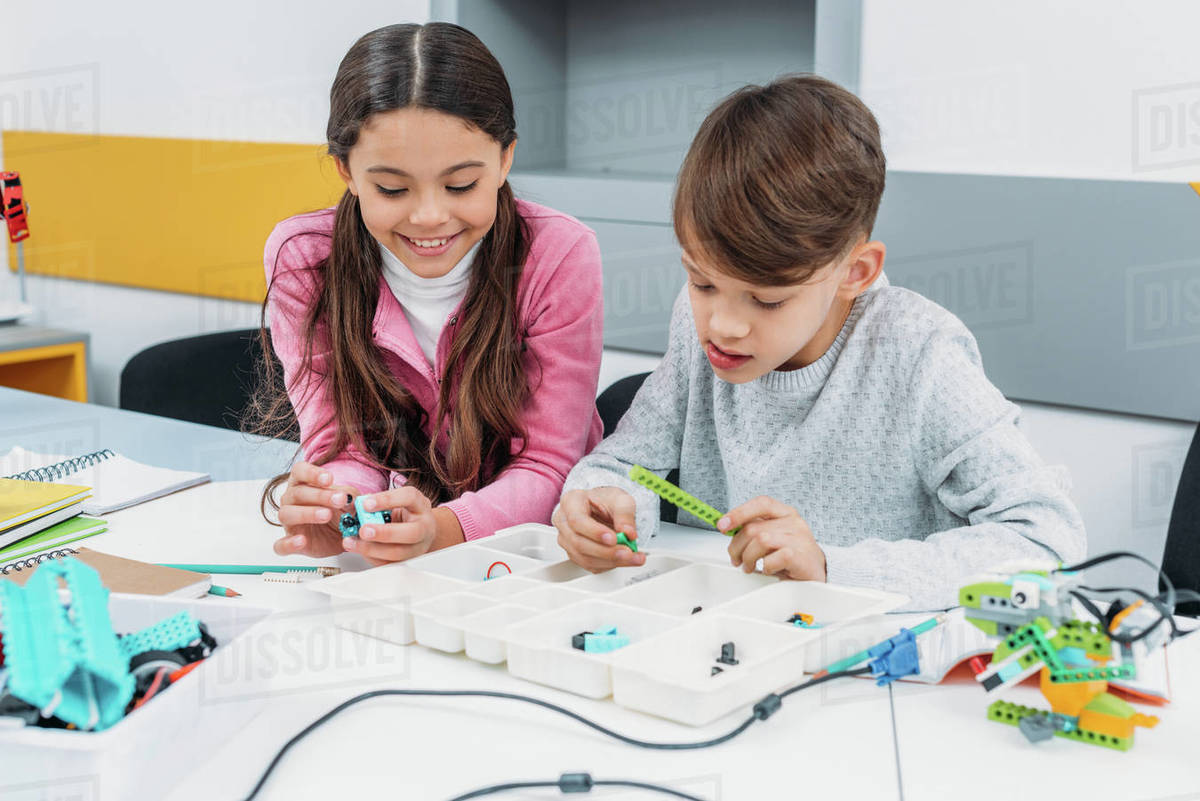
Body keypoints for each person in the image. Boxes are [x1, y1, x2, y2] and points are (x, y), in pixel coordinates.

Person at [553, 75, 1085, 610]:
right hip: (736, 640)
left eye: (767, 301)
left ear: (855, 271)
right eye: (701, 282)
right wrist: (600, 504)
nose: (723, 325)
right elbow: (622, 467)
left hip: (877, 664)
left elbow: (1044, 540)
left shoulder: (919, 353)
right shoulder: (701, 326)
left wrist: (833, 567)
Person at [252, 23, 603, 566]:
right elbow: (341, 444)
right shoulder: (302, 258)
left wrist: (440, 530)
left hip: (530, 559)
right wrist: (339, 509)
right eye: (392, 189)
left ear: (505, 159)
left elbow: (550, 466)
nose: (430, 216)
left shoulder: (559, 254)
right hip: (401, 571)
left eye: (461, 184)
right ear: (345, 169)